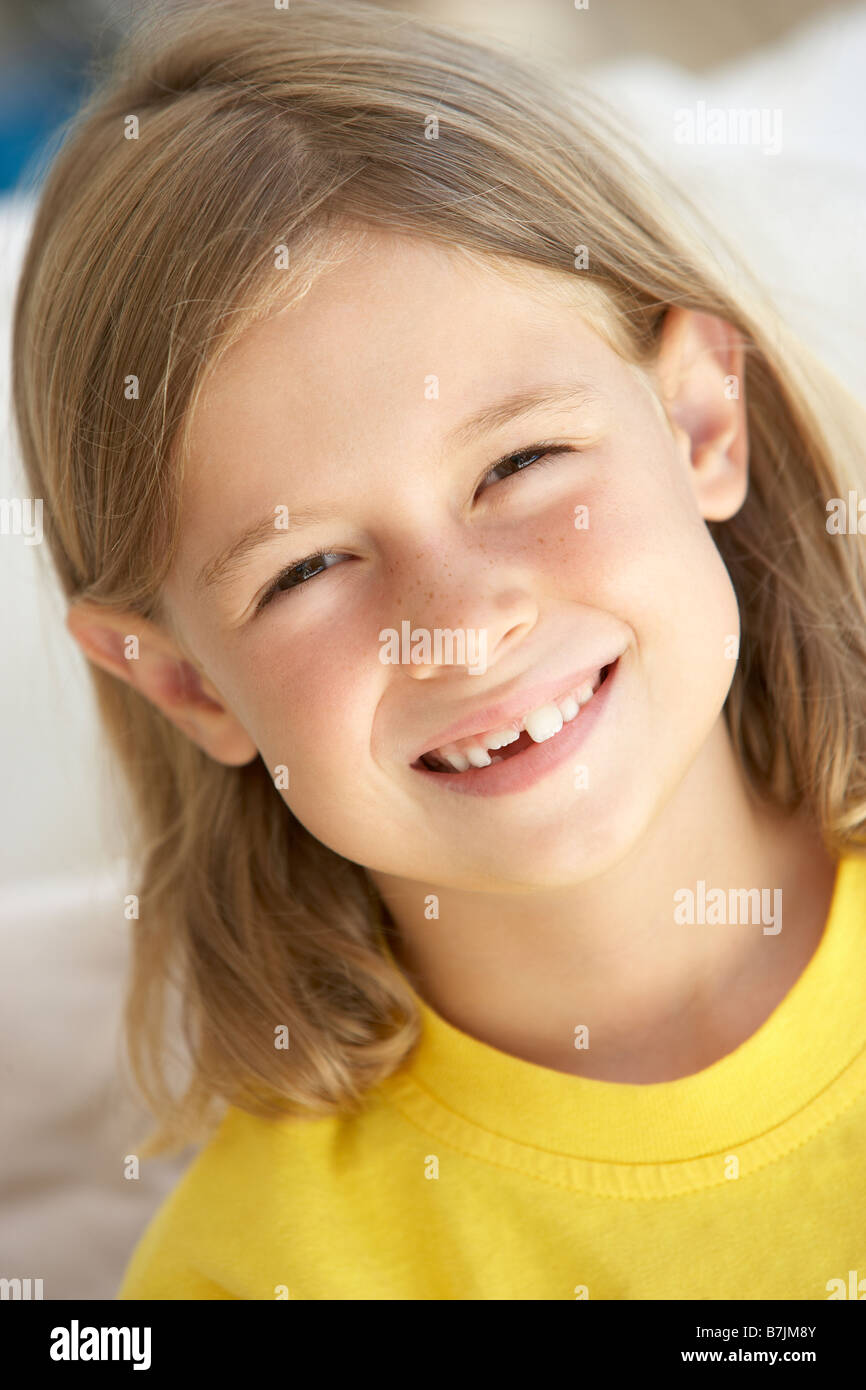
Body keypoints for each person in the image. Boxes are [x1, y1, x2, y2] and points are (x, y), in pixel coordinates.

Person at [12, 0, 866, 1300]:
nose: (459, 620)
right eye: (304, 567)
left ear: (698, 420)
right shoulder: (255, 1275)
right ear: (180, 677)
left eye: (519, 464)